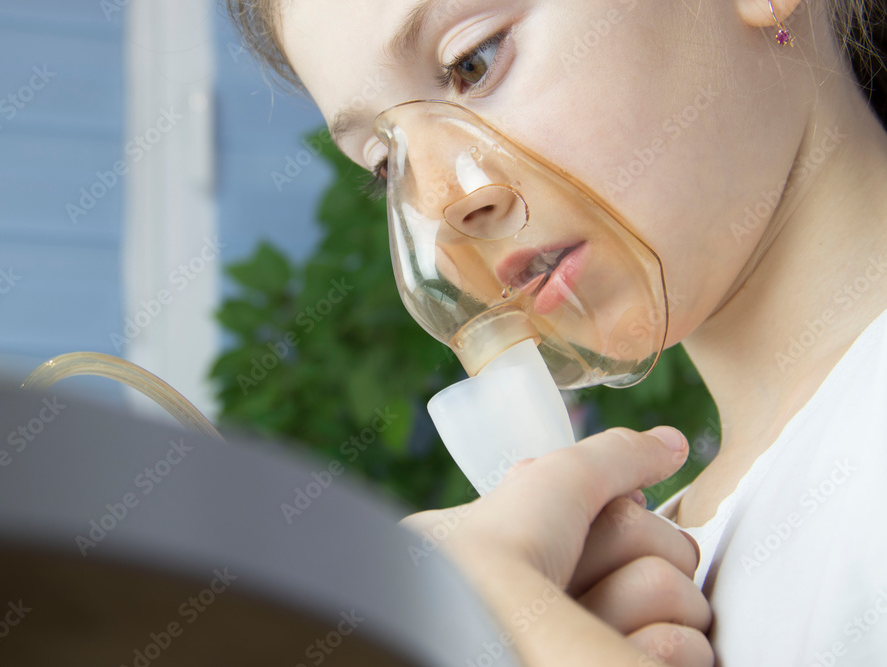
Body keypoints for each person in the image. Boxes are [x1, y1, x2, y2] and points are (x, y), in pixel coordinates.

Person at [225, 0, 887, 665]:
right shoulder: (632, 589)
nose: (442, 208)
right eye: (386, 165)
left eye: (472, 62)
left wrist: (501, 614)